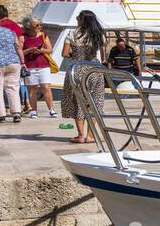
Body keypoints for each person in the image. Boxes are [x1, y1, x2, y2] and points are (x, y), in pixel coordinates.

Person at [61, 10, 106, 144]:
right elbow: (101, 53)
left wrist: (74, 56)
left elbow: (64, 54)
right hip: (94, 70)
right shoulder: (99, 35)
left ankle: (80, 135)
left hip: (77, 69)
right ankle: (90, 136)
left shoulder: (72, 34)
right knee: (95, 101)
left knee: (78, 102)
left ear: (82, 20)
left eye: (78, 18)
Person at [21, 18, 57, 119]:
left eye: (40, 25)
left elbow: (50, 50)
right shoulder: (23, 37)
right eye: (37, 25)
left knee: (46, 87)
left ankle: (51, 109)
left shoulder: (43, 35)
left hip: (43, 65)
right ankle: (34, 111)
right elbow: (20, 52)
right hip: (30, 66)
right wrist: (30, 50)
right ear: (29, 26)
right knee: (32, 89)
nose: (39, 27)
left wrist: (41, 51)